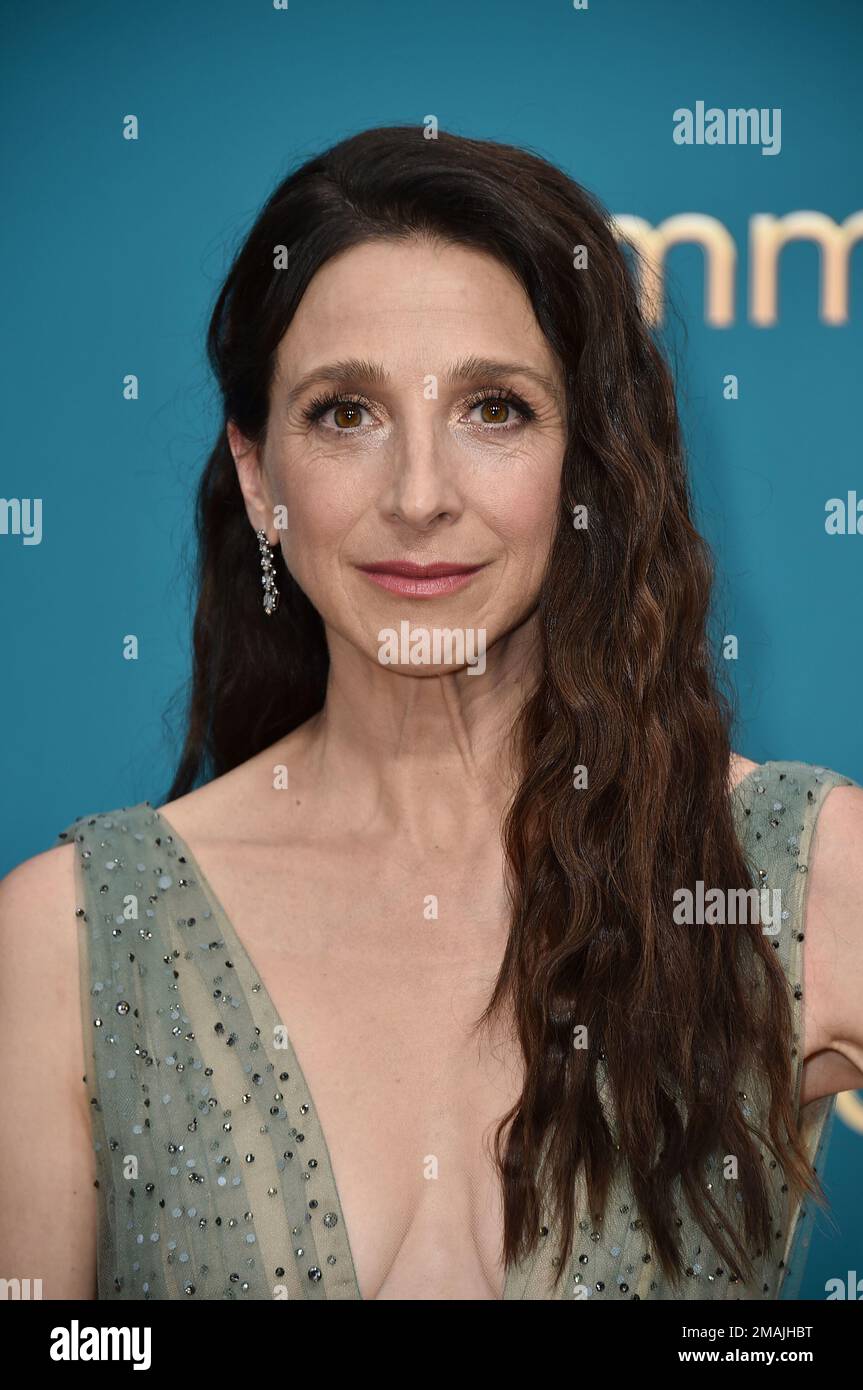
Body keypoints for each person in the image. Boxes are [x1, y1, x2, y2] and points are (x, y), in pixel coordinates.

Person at [1, 126, 861, 1302]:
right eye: (344, 413)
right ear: (258, 478)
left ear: (585, 464)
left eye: (493, 409)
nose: (417, 498)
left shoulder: (797, 873)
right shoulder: (70, 940)